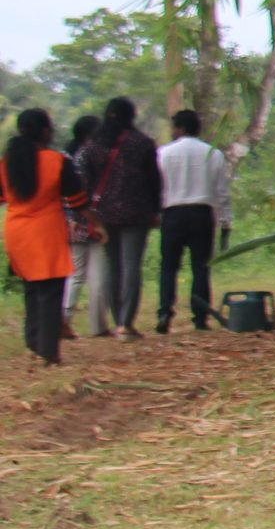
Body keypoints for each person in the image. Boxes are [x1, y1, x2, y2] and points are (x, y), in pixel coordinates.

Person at [5, 109, 88, 365]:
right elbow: (77, 199)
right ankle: (48, 351)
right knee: (51, 291)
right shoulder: (57, 161)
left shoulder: (7, 162)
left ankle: (33, 341)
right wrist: (93, 222)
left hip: (17, 232)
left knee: (31, 287)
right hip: (46, 232)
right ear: (44, 131)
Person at [79, 96, 160, 341]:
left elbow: (84, 181)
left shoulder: (92, 145)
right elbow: (154, 181)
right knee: (131, 264)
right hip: (137, 211)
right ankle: (126, 323)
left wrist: (89, 213)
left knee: (113, 266)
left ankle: (118, 321)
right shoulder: (143, 143)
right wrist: (156, 210)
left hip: (104, 214)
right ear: (131, 115)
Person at [156, 108, 231, 332]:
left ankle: (165, 312)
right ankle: (200, 317)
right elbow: (222, 192)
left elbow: (157, 187)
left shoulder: (163, 153)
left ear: (180, 128)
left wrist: (156, 212)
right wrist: (225, 221)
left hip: (173, 213)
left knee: (169, 266)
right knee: (200, 266)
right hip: (201, 213)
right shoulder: (213, 154)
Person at [61, 113, 102, 335]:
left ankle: (65, 319)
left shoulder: (66, 155)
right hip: (94, 220)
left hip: (73, 222)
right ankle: (98, 325)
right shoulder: (93, 155)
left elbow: (64, 195)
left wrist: (70, 219)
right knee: (98, 275)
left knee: (75, 274)